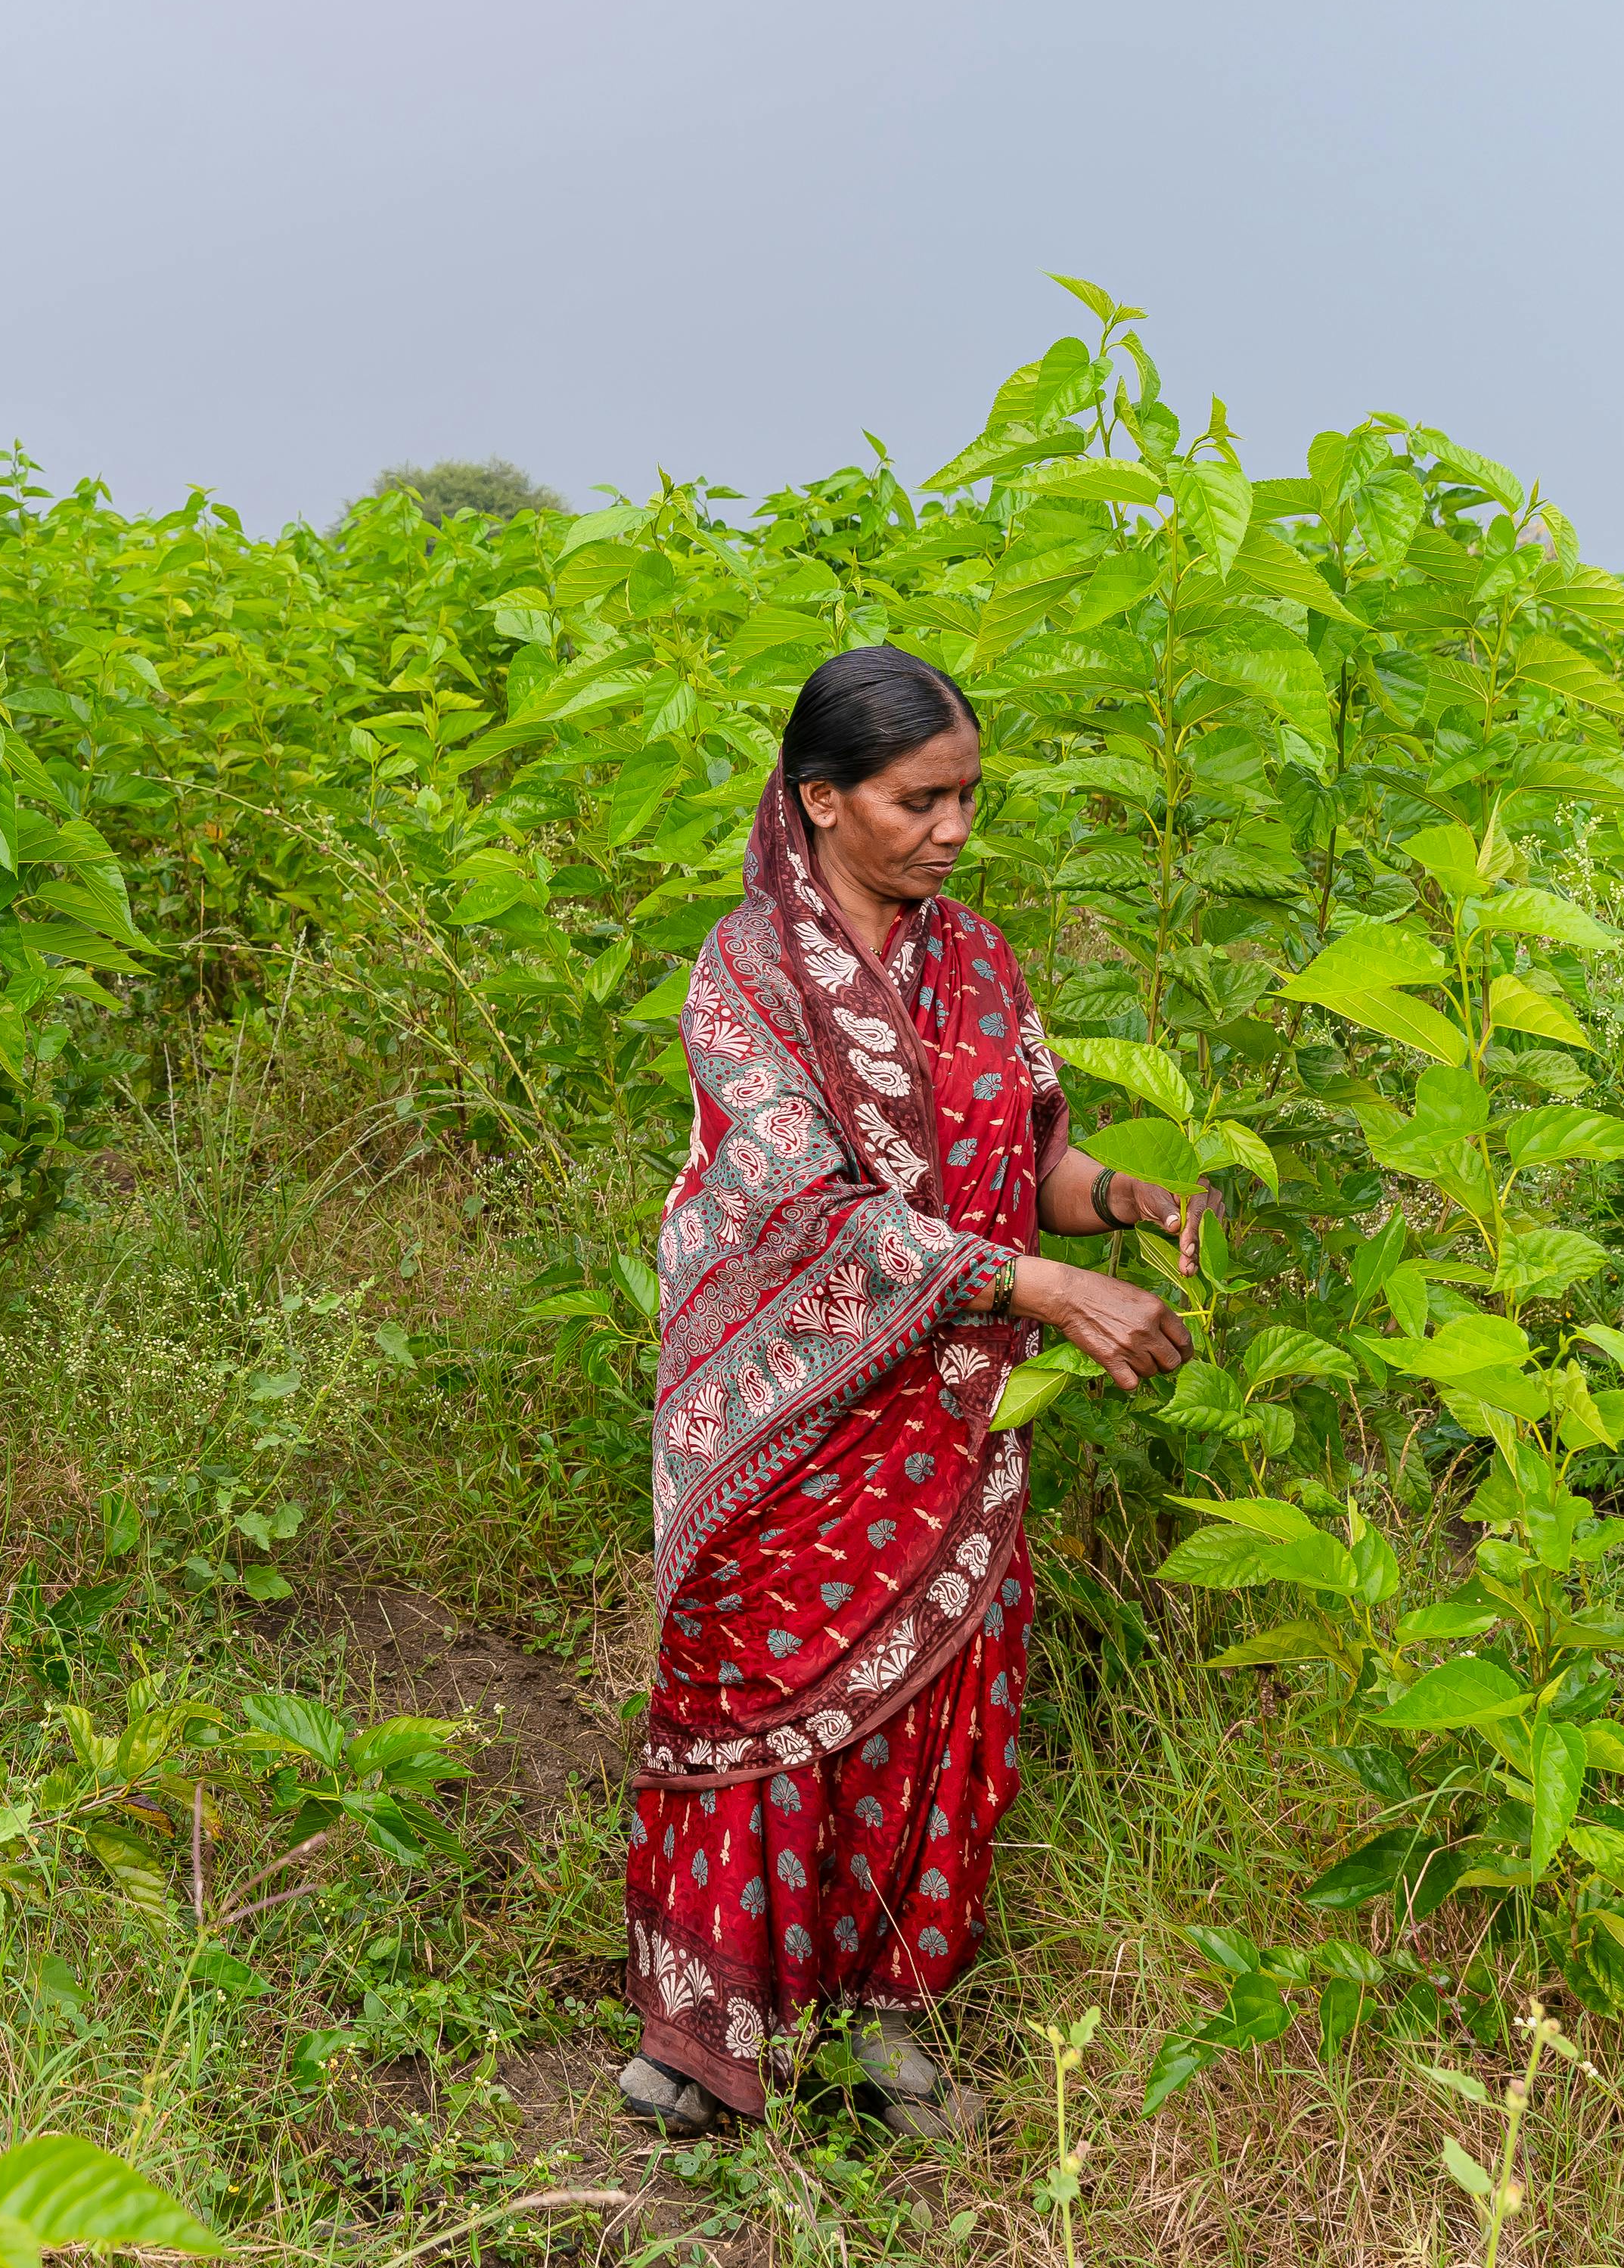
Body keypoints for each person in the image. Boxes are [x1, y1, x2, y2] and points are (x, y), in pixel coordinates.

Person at [619, 645, 1206, 2141]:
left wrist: (1122, 1200)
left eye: (967, 799)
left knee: (934, 1706)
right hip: (783, 1419)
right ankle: (706, 2030)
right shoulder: (745, 973)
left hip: (950, 1419)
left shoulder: (977, 960)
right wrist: (1045, 1290)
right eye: (917, 800)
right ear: (821, 799)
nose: (951, 830)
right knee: (760, 1699)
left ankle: (879, 2015)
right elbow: (810, 1211)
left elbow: (1028, 1163)